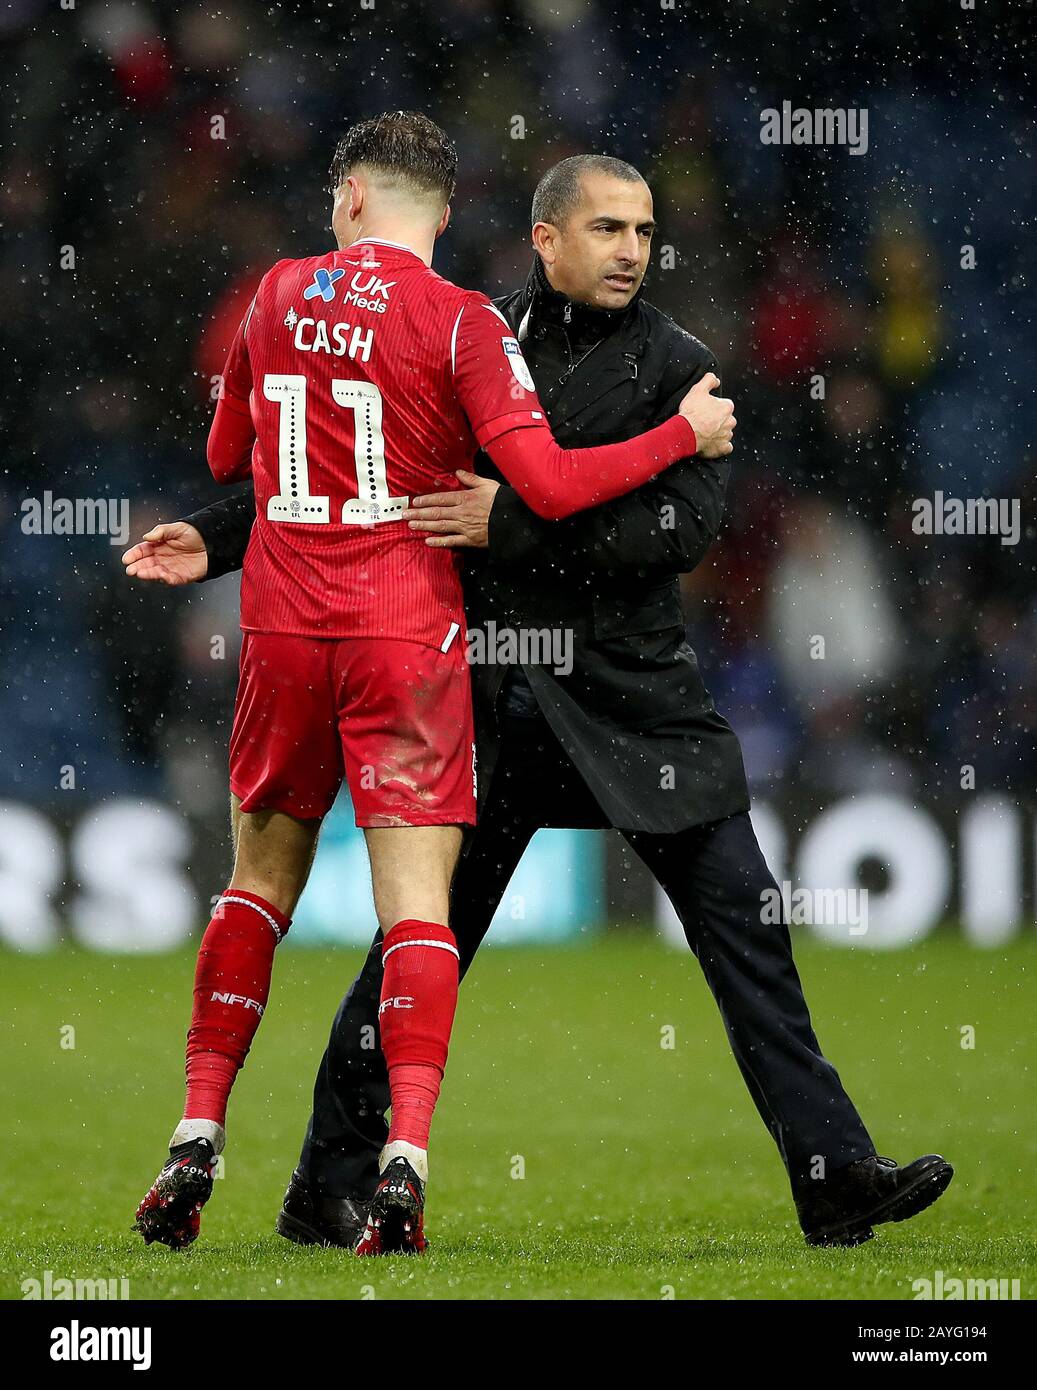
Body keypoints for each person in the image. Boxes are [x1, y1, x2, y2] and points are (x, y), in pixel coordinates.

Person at [126, 154, 952, 1252]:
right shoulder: (470, 328)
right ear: (545, 240)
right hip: (494, 703)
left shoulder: (681, 369)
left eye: (644, 233)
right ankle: (325, 1187)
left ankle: (833, 1173)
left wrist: (507, 523)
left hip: (640, 710)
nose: (629, 251)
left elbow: (681, 532)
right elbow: (350, 476)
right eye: (606, 229)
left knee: (750, 940)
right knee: (414, 946)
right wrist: (219, 536)